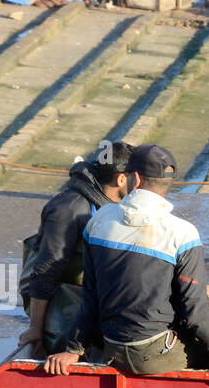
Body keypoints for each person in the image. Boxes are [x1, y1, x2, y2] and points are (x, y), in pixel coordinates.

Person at [45, 144, 209, 388]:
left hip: (111, 346)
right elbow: (196, 315)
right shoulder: (182, 233)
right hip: (152, 355)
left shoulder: (98, 222)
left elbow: (91, 298)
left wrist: (73, 349)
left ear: (134, 178)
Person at [18, 142, 133, 358]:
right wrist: (35, 329)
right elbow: (45, 273)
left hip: (89, 289)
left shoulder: (117, 202)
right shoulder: (69, 210)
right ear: (121, 179)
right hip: (63, 296)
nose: (141, 183)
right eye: (138, 176)